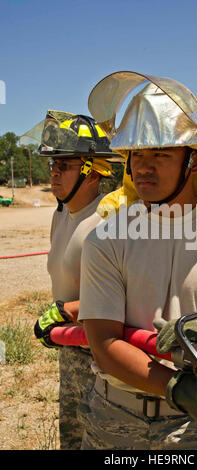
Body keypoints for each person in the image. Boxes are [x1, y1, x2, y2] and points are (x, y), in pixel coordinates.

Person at [77, 72, 197, 450]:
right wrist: (176, 386)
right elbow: (103, 340)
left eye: (161, 154)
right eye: (136, 154)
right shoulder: (106, 238)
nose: (144, 166)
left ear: (193, 161)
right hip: (115, 418)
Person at [22, 110, 123, 449]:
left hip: (103, 358)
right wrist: (60, 318)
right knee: (72, 440)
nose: (53, 173)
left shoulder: (106, 222)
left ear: (91, 172)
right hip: (71, 350)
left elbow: (120, 297)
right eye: (52, 165)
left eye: (63, 165)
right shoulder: (61, 214)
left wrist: (63, 312)